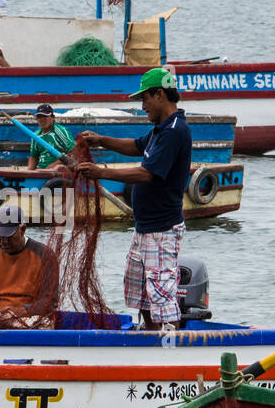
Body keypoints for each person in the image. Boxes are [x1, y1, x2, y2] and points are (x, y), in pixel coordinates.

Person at [74, 67, 191, 330]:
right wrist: (101, 140)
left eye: (145, 99)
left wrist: (100, 172)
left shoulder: (174, 131)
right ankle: (150, 337)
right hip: (145, 228)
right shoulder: (161, 129)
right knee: (142, 295)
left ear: (159, 94)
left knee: (162, 296)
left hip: (161, 230)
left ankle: (170, 351)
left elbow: (146, 173)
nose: (143, 106)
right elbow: (136, 146)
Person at [0, 203, 55, 314]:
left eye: (9, 236)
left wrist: (22, 311)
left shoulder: (44, 255)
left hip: (30, 316)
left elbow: (50, 301)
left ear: (22, 230)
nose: (3, 242)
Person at [26, 103, 76, 170]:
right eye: (39, 117)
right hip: (41, 170)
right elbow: (34, 157)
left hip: (58, 170)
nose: (42, 119)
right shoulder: (36, 135)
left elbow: (74, 152)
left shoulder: (61, 131)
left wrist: (51, 167)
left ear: (53, 118)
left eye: (45, 116)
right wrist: (29, 172)